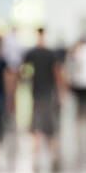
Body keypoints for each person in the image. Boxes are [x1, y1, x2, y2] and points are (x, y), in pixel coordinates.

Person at [22, 28, 63, 164]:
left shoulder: (41, 53)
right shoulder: (38, 53)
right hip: (41, 90)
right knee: (42, 120)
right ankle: (41, 150)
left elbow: (56, 72)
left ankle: (44, 150)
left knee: (43, 120)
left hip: (43, 90)